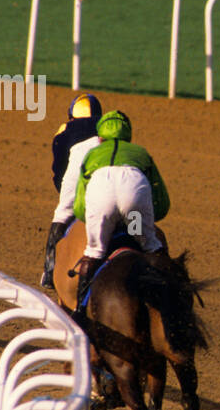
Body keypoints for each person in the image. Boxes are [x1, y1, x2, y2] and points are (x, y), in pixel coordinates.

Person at [71, 110, 170, 307]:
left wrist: (97, 221)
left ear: (100, 139)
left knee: (95, 251)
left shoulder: (91, 155)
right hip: (132, 201)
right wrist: (146, 222)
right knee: (149, 246)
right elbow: (161, 201)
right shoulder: (141, 153)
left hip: (101, 198)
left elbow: (80, 205)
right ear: (128, 137)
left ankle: (79, 311)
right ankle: (172, 301)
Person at [40, 92, 102, 287]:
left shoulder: (65, 129)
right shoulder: (106, 127)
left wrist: (65, 192)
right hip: (109, 172)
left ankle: (50, 272)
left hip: (76, 175)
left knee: (63, 213)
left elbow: (59, 169)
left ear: (72, 115)